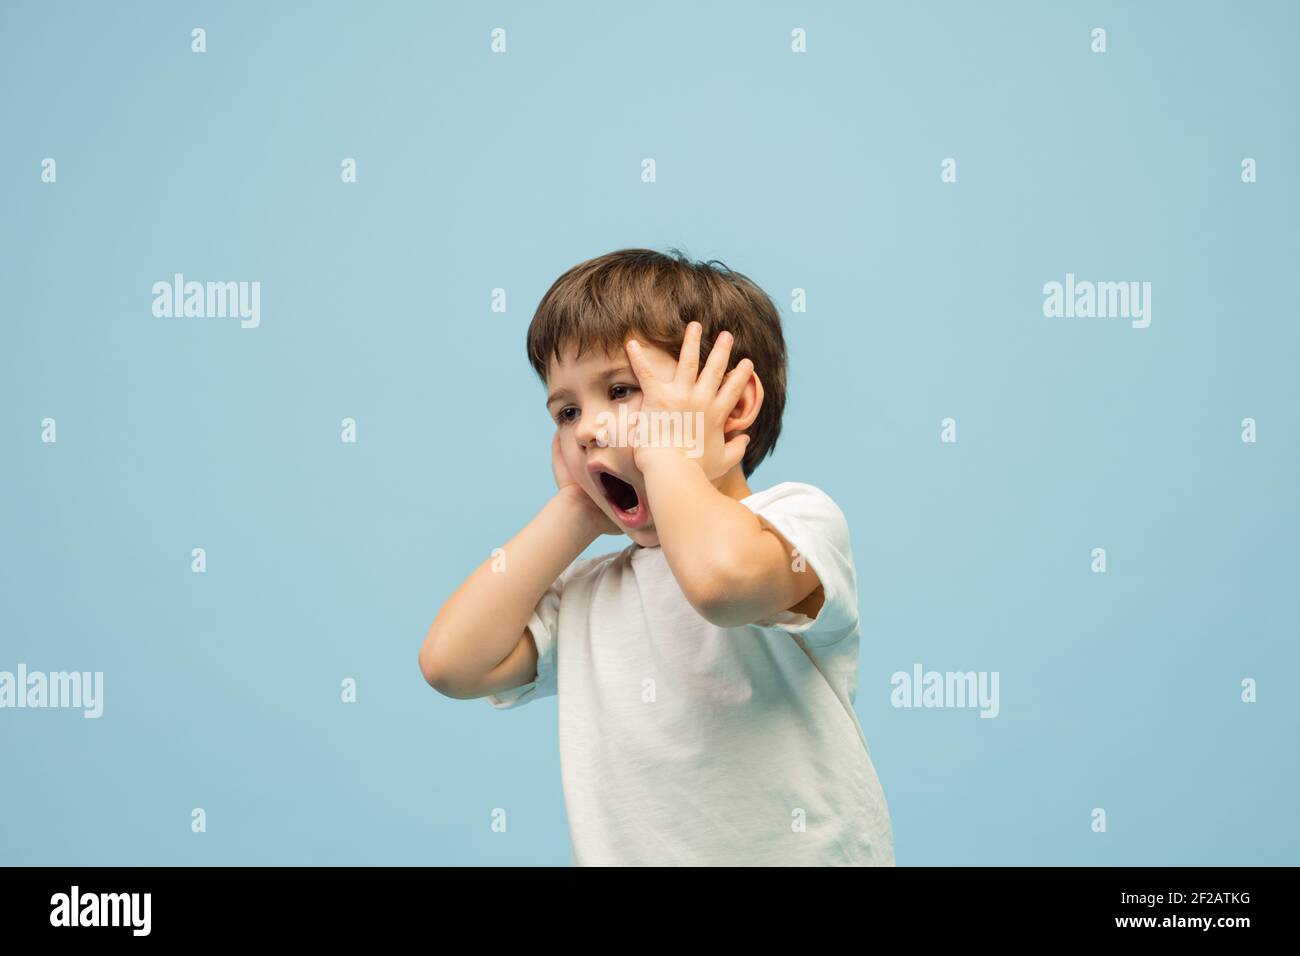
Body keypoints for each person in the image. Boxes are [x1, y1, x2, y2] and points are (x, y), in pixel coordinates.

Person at [419, 248, 895, 866]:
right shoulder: (592, 595)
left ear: (735, 404)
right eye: (567, 412)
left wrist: (666, 457)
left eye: (619, 390)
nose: (587, 428)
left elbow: (719, 584)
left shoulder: (794, 525)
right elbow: (451, 664)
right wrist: (576, 511)